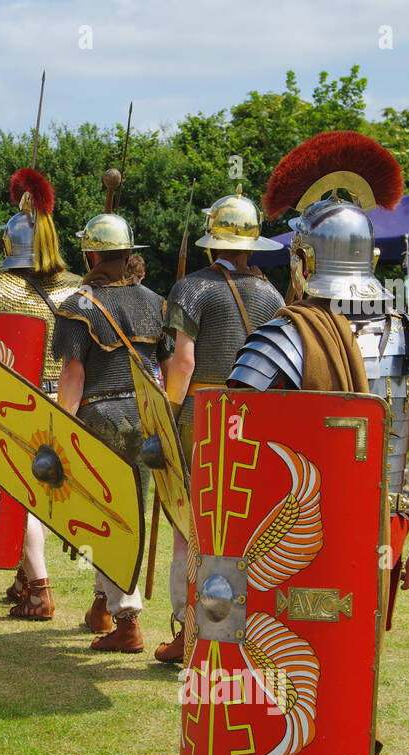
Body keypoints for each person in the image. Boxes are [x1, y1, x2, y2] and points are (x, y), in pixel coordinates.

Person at [225, 131, 409, 755]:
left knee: (300, 663)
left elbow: (235, 442)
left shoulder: (282, 340)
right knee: (351, 667)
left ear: (302, 260)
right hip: (376, 538)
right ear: (373, 259)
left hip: (294, 549)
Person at [155, 187, 285, 663]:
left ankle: (188, 631)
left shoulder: (193, 287)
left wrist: (167, 413)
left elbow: (183, 363)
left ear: (213, 242)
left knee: (188, 528)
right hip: (254, 420)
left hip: (203, 416)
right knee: (240, 527)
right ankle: (236, 632)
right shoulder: (273, 294)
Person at [54, 210, 169, 651]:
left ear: (93, 251)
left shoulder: (79, 304)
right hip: (148, 418)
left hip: (100, 419)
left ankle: (126, 621)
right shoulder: (155, 301)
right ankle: (103, 605)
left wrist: (62, 427)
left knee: (107, 518)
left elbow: (73, 374)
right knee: (130, 514)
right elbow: (168, 362)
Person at [0, 168, 80, 619]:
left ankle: (39, 587)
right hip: (71, 402)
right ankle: (24, 577)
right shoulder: (79, 287)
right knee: (53, 492)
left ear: (7, 243)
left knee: (21, 492)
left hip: (17, 402)